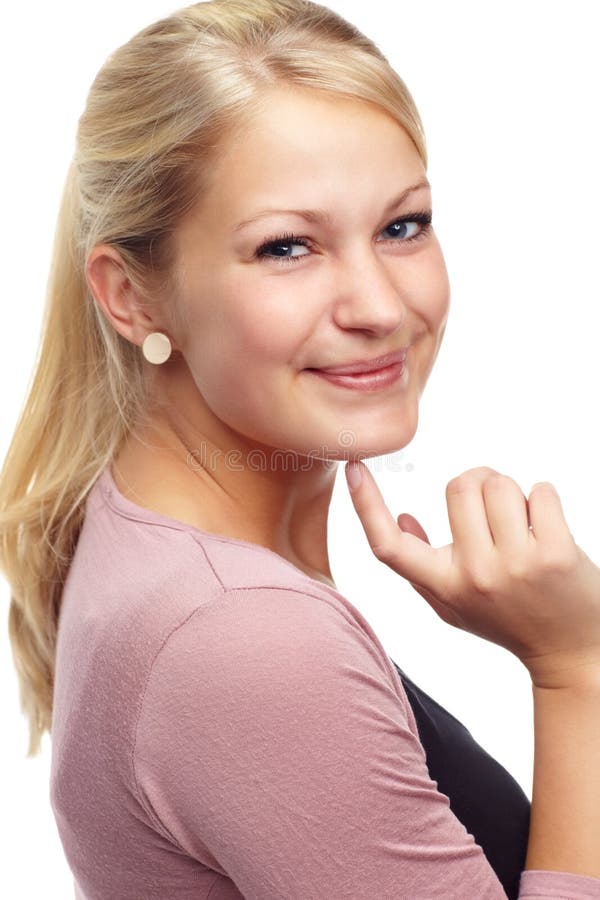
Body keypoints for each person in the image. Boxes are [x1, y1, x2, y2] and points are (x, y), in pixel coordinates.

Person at [0, 0, 599, 897]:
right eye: (287, 247)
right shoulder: (242, 637)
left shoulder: (160, 534)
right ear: (132, 298)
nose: (381, 307)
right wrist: (576, 669)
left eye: (403, 226)